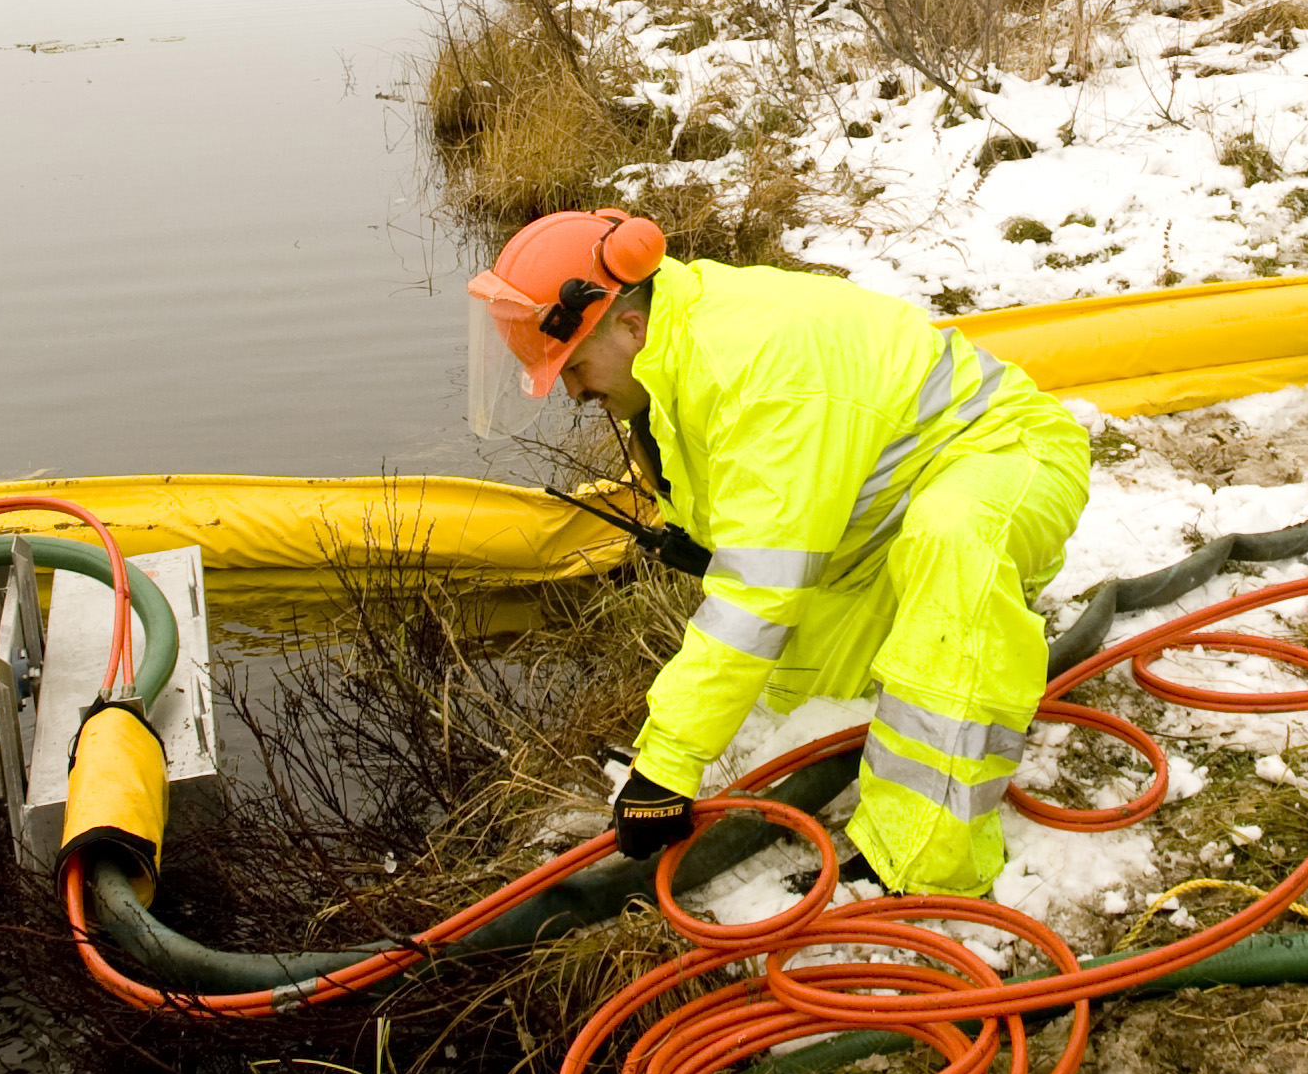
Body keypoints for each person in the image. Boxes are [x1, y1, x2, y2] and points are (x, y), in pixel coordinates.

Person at [468, 209, 1092, 896]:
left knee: (948, 563)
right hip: (881, 517)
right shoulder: (675, 349)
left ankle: (923, 864)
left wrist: (668, 765)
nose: (573, 390)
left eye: (576, 367)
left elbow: (756, 592)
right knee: (800, 705)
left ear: (631, 327)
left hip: (1005, 458)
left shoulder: (758, 376)